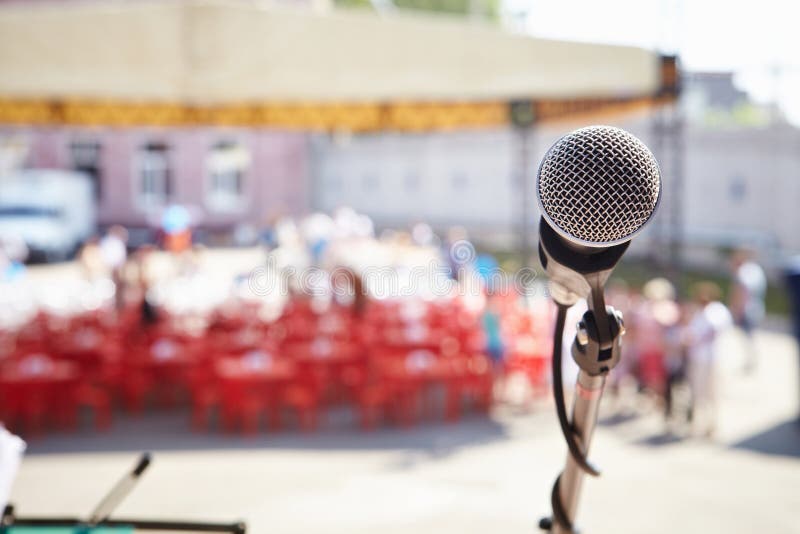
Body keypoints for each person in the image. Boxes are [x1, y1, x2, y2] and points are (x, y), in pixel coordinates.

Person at [683, 282, 732, 438]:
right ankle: (698, 422)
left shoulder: (717, 311)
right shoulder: (698, 312)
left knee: (712, 393)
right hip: (698, 358)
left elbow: (713, 330)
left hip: (711, 358)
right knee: (697, 392)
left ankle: (712, 424)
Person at [729, 249, 766, 373]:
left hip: (747, 307)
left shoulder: (743, 272)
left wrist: (737, 308)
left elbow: (742, 291)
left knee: (746, 335)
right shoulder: (756, 270)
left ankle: (750, 359)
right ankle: (752, 357)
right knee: (750, 334)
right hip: (757, 306)